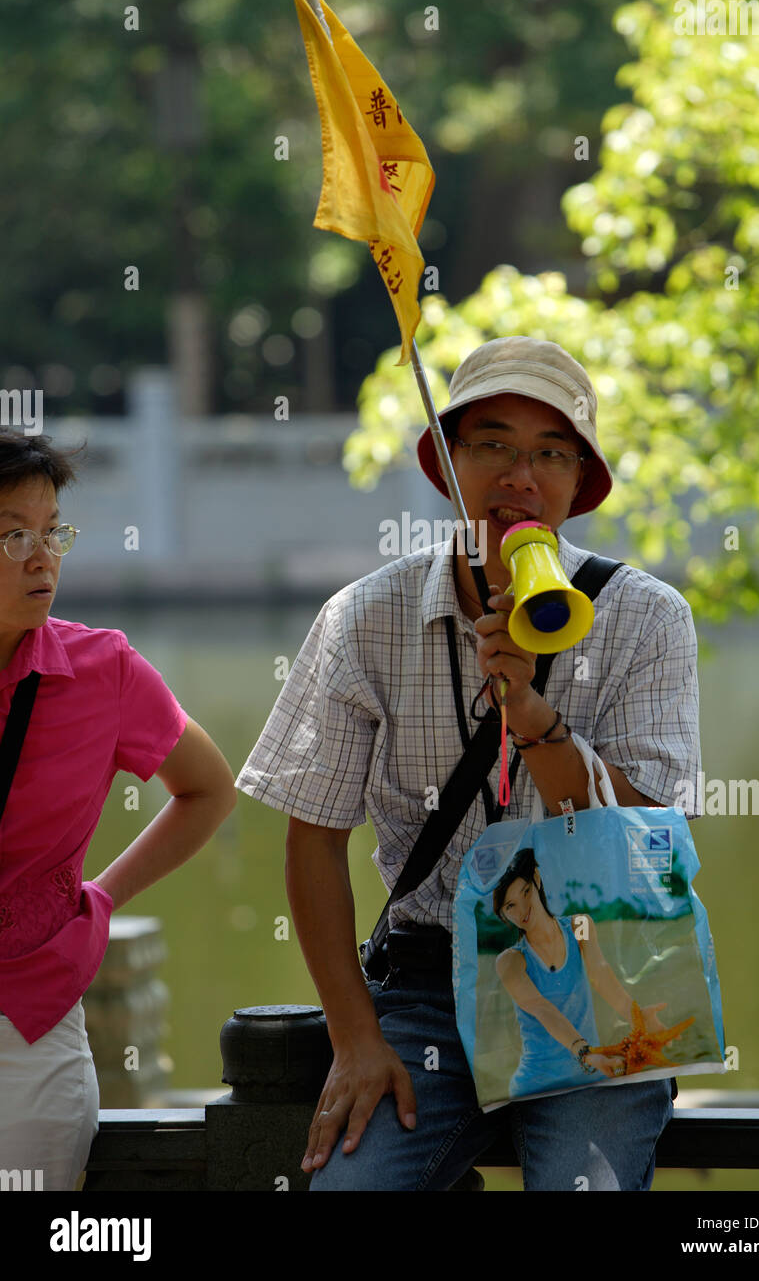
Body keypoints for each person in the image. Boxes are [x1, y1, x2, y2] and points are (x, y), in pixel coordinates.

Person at [237, 336, 701, 1191]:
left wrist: (534, 720)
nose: (520, 476)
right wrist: (355, 1038)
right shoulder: (363, 619)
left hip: (603, 965)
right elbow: (313, 841)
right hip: (426, 982)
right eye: (492, 445)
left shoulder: (648, 618)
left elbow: (651, 840)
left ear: (577, 484)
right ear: (449, 465)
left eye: (551, 454)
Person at [0, 431, 237, 1190]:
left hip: (30, 1020)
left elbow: (208, 789)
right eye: (13, 536)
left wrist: (102, 897)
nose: (43, 559)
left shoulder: (102, 671)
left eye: (53, 532)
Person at [491, 849, 676, 1097]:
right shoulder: (511, 961)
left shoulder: (580, 927)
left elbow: (601, 976)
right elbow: (541, 1008)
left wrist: (638, 1017)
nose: (522, 909)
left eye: (525, 892)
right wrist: (585, 1053)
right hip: (536, 1087)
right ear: (503, 914)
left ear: (536, 879)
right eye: (511, 906)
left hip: (593, 1076)